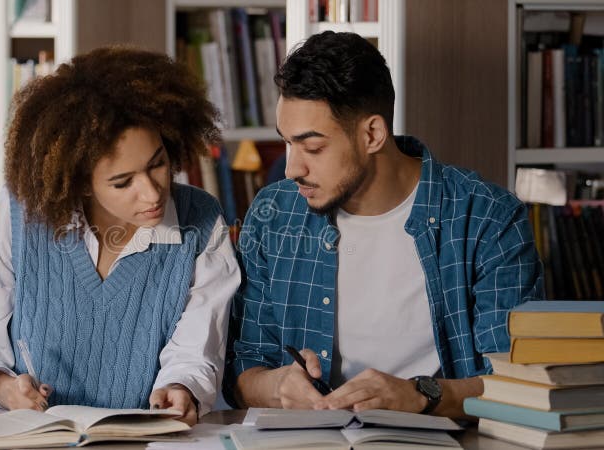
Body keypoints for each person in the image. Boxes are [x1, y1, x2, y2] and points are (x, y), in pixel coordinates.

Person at [225, 31, 544, 418]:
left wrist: (421, 395)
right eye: (287, 143)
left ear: (372, 134)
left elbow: (518, 381)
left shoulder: (488, 218)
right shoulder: (273, 214)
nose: (292, 168)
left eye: (312, 147)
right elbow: (242, 368)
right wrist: (276, 387)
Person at [0, 46, 240, 426]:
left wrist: (181, 387)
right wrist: (4, 387)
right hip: (37, 437)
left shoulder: (201, 220)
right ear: (81, 183)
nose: (152, 193)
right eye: (123, 182)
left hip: (145, 438)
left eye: (158, 164)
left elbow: (197, 351)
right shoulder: (18, 213)